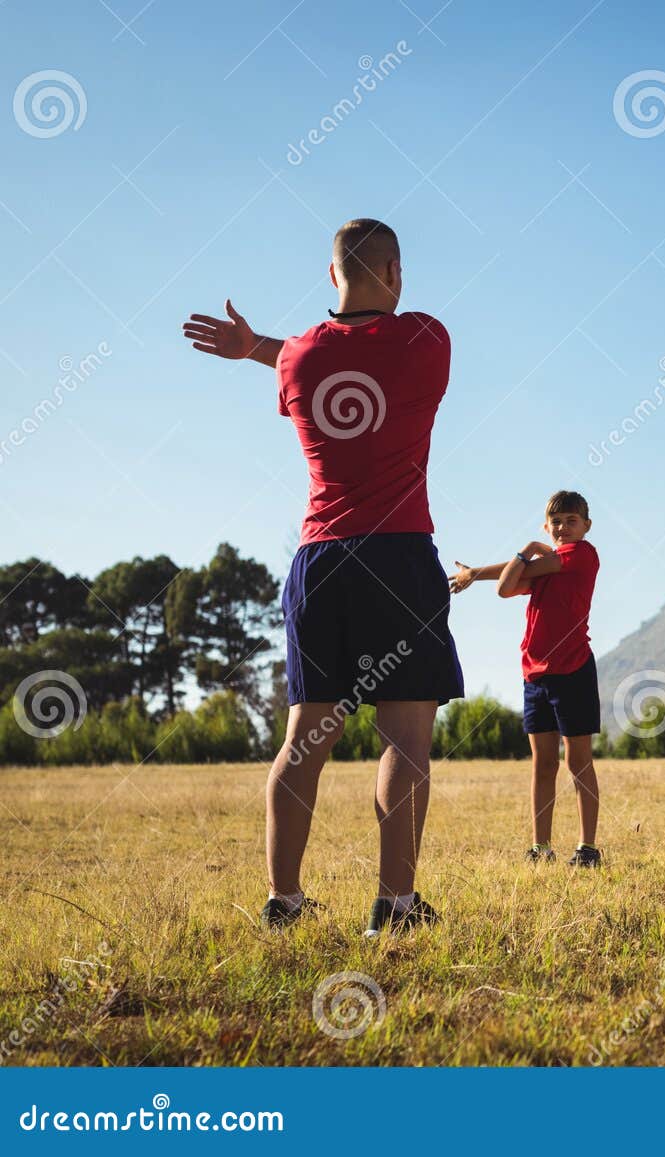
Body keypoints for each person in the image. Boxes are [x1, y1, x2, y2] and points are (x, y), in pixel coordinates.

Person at [182, 218, 464, 935]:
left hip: (321, 561)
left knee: (304, 738)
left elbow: (302, 353)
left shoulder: (299, 357)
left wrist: (254, 347)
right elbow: (370, 350)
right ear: (394, 272)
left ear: (331, 274)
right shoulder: (427, 338)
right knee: (404, 737)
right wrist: (262, 347)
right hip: (399, 555)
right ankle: (395, 907)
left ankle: (283, 901)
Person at [451, 491, 603, 868]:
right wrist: (517, 557)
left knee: (578, 762)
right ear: (546, 526)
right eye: (556, 522)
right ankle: (541, 847)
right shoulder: (545, 569)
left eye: (571, 521)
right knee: (543, 763)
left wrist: (525, 552)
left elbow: (510, 579)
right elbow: (506, 587)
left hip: (573, 670)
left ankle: (587, 848)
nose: (563, 527)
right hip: (535, 674)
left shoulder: (582, 553)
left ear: (586, 525)